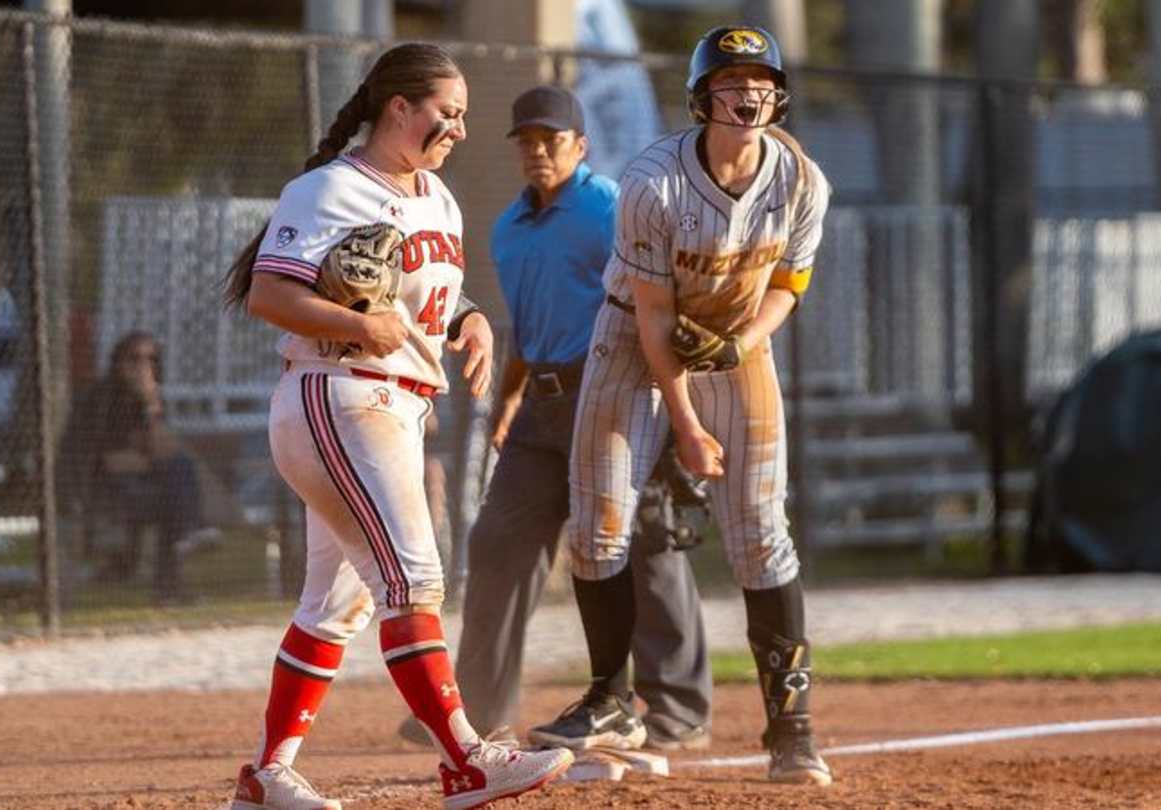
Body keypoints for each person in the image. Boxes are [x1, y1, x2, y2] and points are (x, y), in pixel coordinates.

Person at [220, 43, 572, 810]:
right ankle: (466, 760)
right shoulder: (327, 189)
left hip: (391, 408)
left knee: (335, 604)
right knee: (413, 577)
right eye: (447, 114)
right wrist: (357, 325)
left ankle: (267, 776)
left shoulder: (435, 197)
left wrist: (471, 320)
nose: (459, 130)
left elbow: (424, 298)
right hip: (340, 395)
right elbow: (272, 296)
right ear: (398, 109)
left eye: (464, 117)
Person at [527, 26, 835, 786]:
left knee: (762, 532)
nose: (748, 93)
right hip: (636, 339)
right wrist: (688, 427)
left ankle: (791, 728)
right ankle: (611, 697)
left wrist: (737, 347)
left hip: (738, 341)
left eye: (760, 80)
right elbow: (657, 319)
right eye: (731, 80)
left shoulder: (802, 181)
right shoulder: (652, 182)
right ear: (701, 98)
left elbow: (786, 289)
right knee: (598, 523)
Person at [398, 85, 714, 752]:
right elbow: (527, 324)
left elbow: (660, 306)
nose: (538, 150)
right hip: (539, 407)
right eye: (527, 139)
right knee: (497, 542)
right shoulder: (510, 226)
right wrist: (508, 400)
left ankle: (678, 707)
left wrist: (670, 406)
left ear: (580, 145)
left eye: (552, 138)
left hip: (615, 396)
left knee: (644, 541)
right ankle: (475, 707)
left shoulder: (609, 210)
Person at [59, 331, 210, 604]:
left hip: (132, 486)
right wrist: (146, 460)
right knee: (175, 486)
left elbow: (163, 451)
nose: (144, 367)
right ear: (119, 362)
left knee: (179, 471)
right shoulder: (101, 399)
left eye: (151, 360)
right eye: (135, 359)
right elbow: (109, 462)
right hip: (94, 492)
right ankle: (183, 548)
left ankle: (176, 564)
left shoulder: (144, 401)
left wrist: (151, 405)